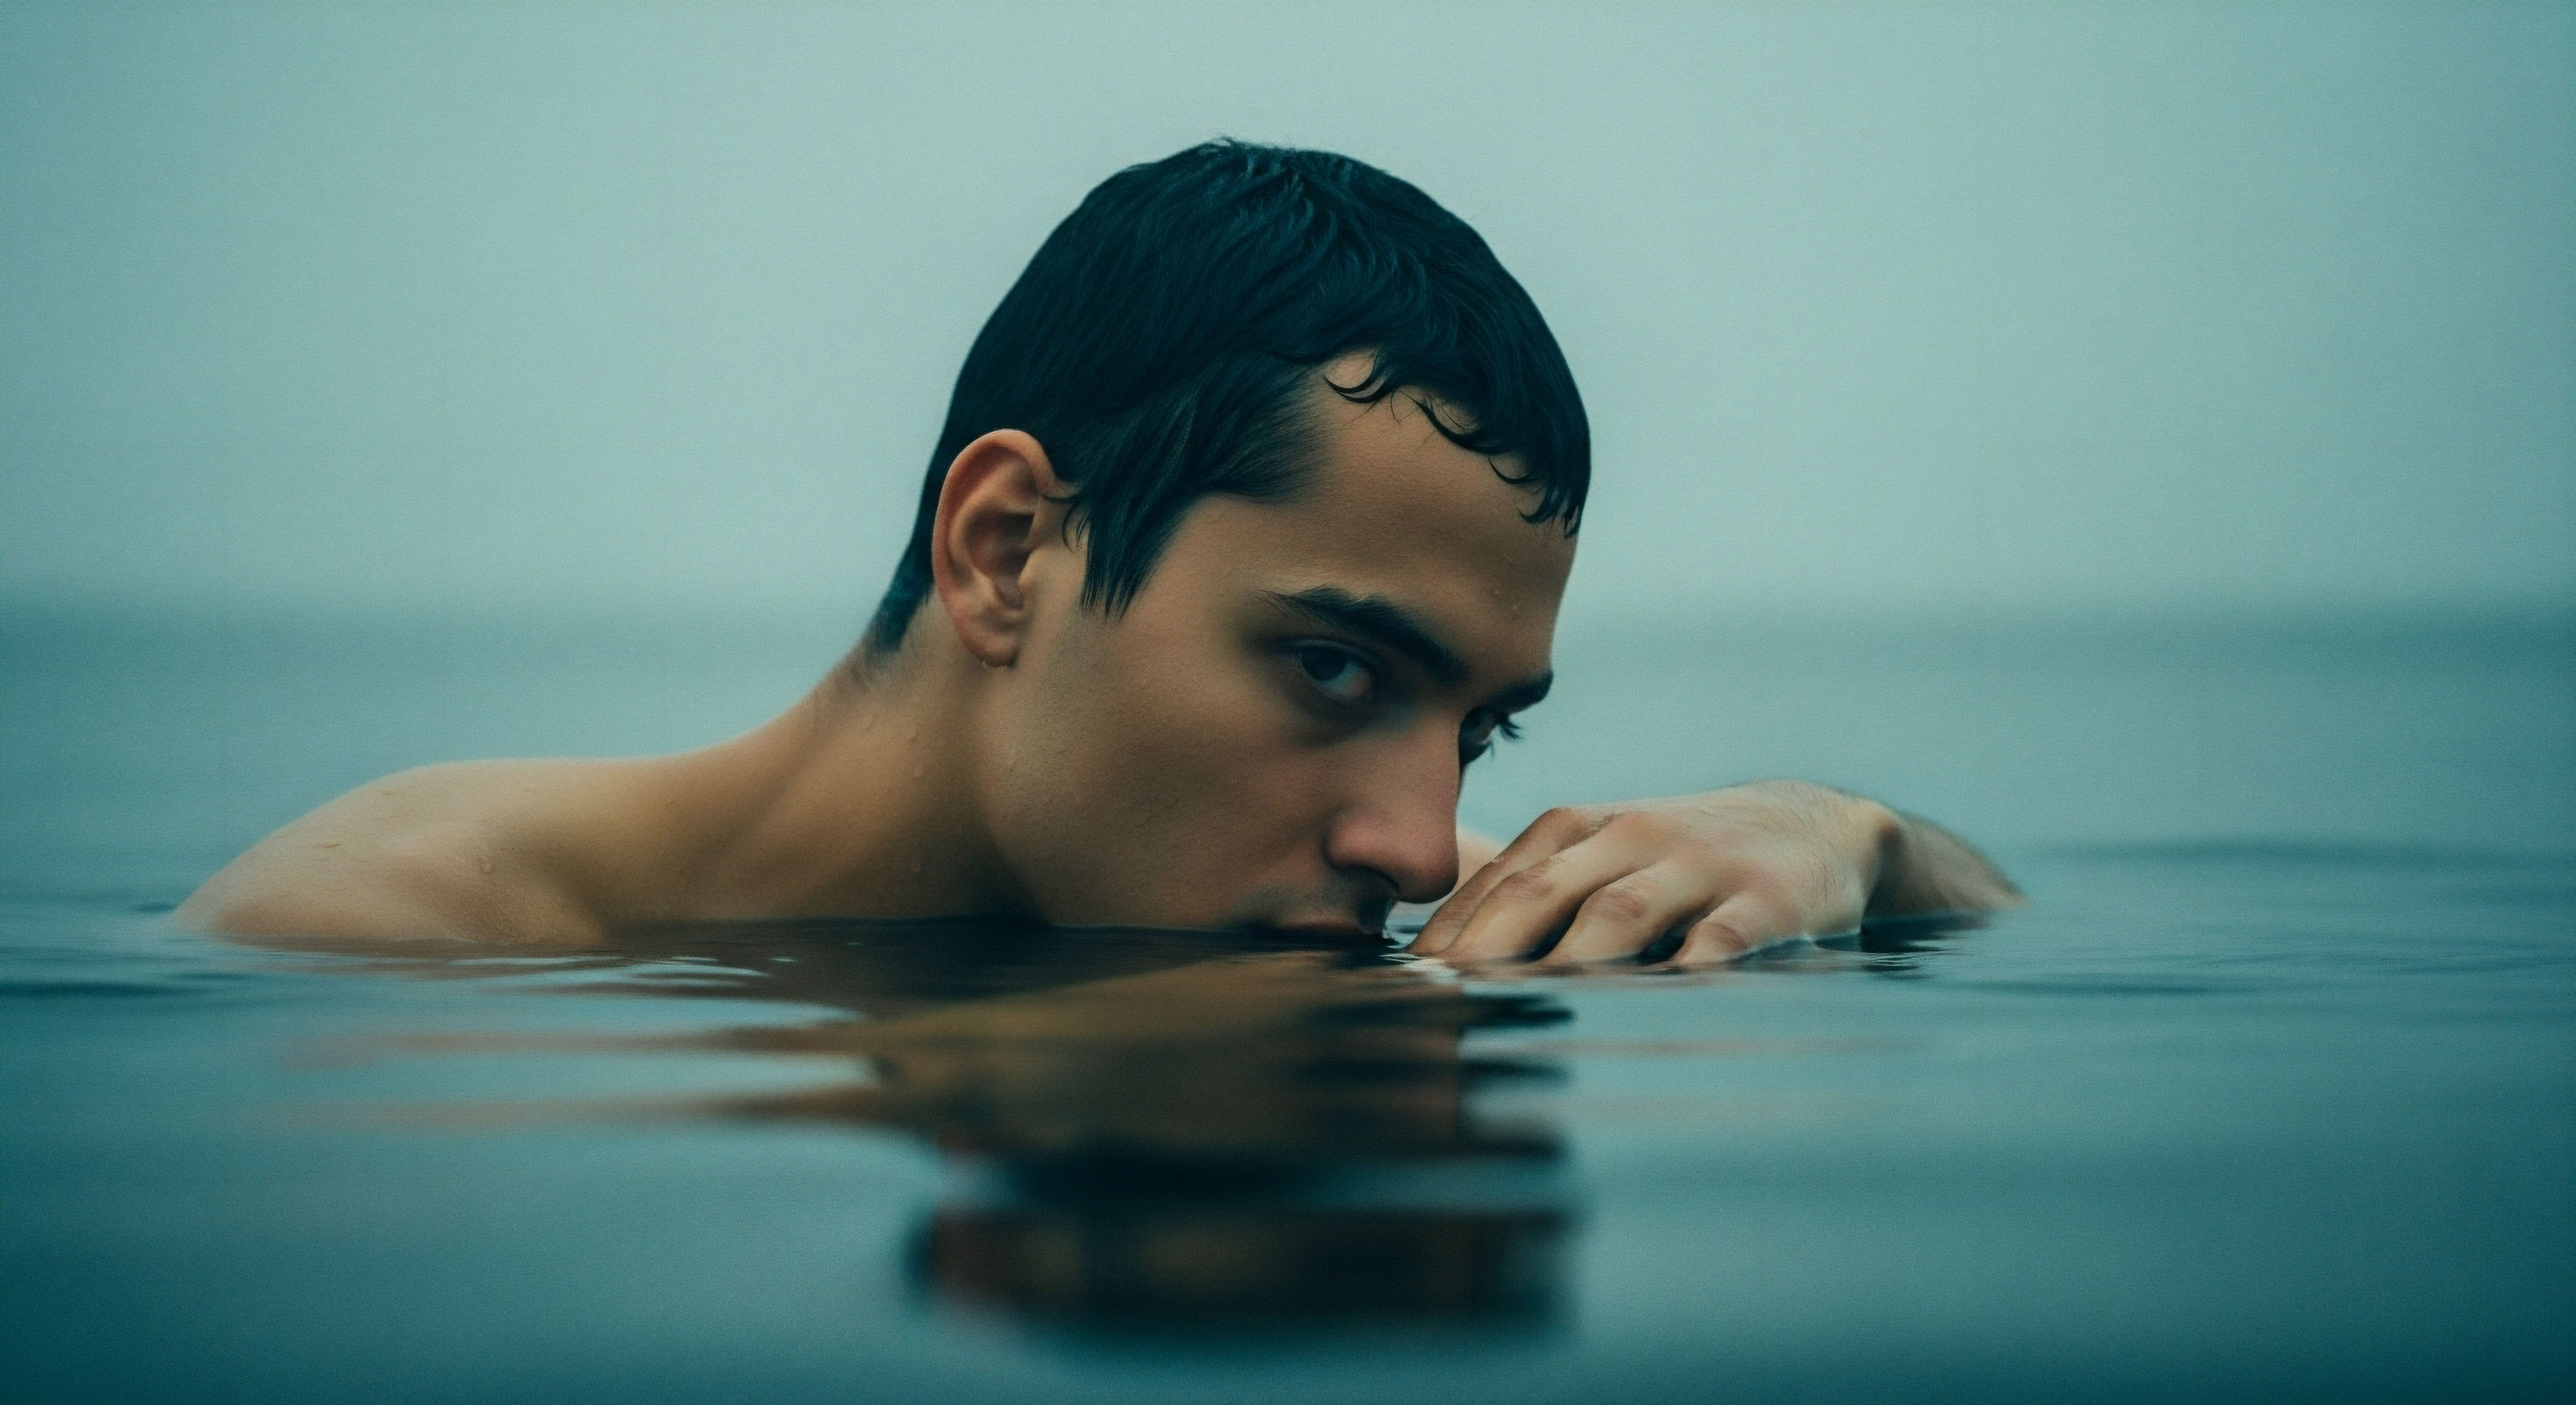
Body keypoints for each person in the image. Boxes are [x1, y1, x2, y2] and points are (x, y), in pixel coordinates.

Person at [177, 140, 2018, 963]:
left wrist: (1832, 826)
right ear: (1003, 551)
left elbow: (1970, 911)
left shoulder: (1324, 881)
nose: (1406, 838)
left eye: (1479, 732)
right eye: (1333, 668)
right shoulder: (389, 950)